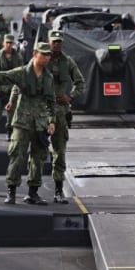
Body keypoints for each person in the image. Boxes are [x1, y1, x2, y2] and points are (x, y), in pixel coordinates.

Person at [0, 43, 59, 206]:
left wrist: (52, 121)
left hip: (40, 123)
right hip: (22, 121)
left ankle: (33, 193)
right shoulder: (22, 73)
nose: (47, 58)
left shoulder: (48, 77)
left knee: (38, 158)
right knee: (17, 155)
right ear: (35, 53)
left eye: (48, 55)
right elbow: (2, 76)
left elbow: (51, 101)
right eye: (44, 54)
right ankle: (11, 191)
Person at [46, 31, 85, 204]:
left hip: (60, 111)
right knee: (36, 151)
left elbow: (80, 82)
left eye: (59, 42)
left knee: (60, 152)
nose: (57, 44)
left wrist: (70, 96)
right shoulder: (41, 60)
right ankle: (32, 190)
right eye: (54, 41)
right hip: (40, 110)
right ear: (49, 42)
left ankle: (58, 190)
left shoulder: (68, 62)